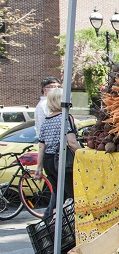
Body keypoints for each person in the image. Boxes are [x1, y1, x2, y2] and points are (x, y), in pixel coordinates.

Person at [34, 88, 81, 220]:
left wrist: (39, 167)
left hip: (49, 161)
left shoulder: (46, 121)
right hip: (63, 161)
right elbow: (71, 142)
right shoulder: (65, 118)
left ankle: (48, 223)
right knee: (72, 194)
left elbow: (42, 145)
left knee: (58, 193)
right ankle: (70, 226)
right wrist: (83, 156)